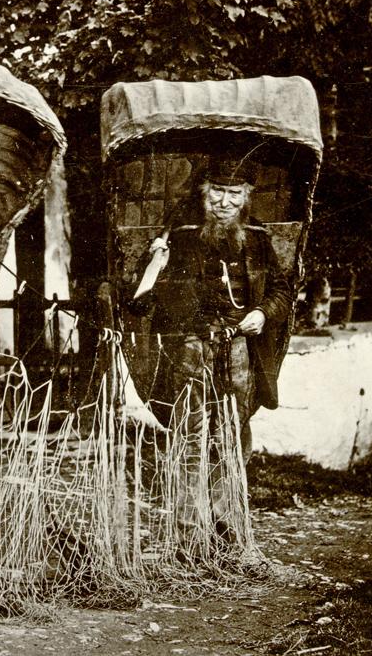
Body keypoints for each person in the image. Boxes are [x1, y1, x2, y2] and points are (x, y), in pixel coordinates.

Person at [128, 153, 291, 560]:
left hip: (238, 349)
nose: (223, 202)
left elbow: (283, 293)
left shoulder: (258, 240)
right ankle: (187, 538)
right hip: (190, 351)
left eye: (233, 194)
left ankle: (228, 532)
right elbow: (141, 303)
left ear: (245, 198)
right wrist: (154, 265)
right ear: (204, 194)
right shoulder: (179, 239)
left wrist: (260, 313)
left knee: (233, 438)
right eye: (217, 191)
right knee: (189, 437)